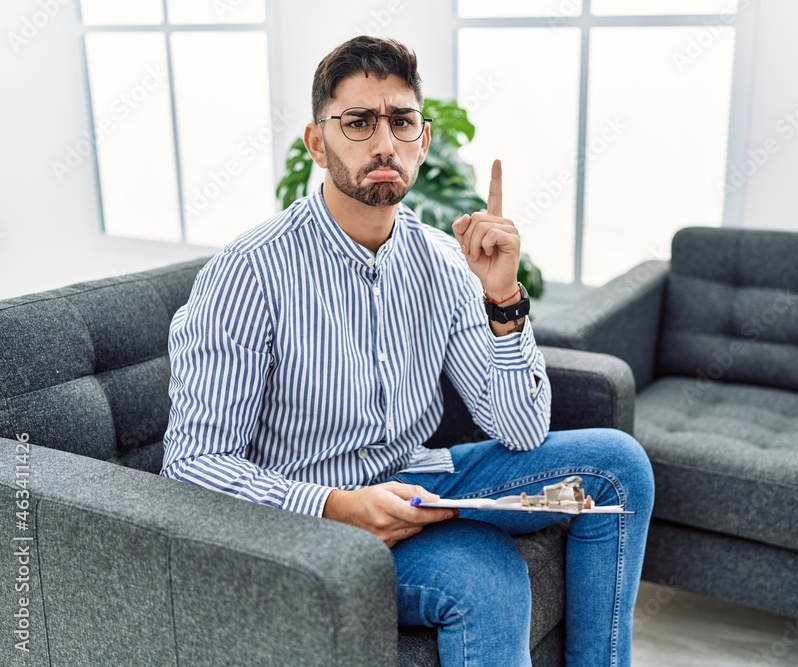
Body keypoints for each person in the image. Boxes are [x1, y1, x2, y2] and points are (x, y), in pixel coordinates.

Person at [161, 35, 653, 667]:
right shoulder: (249, 272)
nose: (384, 143)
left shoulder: (443, 261)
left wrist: (501, 297)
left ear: (422, 140)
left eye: (401, 122)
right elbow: (194, 463)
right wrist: (335, 506)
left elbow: (522, 429)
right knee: (488, 578)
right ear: (319, 143)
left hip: (416, 476)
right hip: (312, 514)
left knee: (618, 467)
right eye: (359, 123)